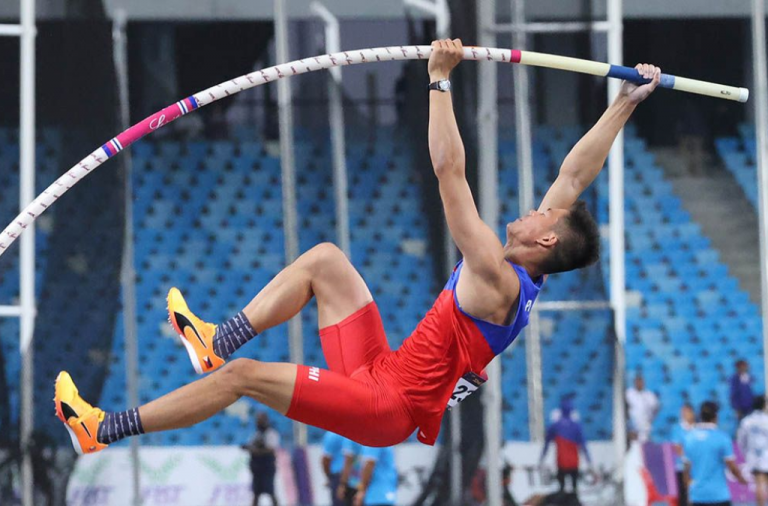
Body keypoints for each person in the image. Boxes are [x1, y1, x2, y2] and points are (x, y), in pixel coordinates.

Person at [53, 39, 662, 455]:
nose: (532, 208)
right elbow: (575, 176)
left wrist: (439, 81)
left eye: (541, 213)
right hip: (382, 371)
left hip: (385, 405)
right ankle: (216, 340)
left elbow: (450, 172)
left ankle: (102, 428)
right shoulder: (528, 273)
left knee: (244, 380)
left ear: (546, 238)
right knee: (325, 261)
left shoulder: (496, 277)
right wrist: (624, 104)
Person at [682, 401, 747, 506]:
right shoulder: (722, 438)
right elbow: (732, 467)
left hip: (698, 496)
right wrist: (741, 479)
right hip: (719, 495)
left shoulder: (689, 438)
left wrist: (690, 491)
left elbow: (686, 471)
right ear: (716, 417)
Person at [539, 396, 591, 497]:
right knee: (574, 490)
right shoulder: (576, 426)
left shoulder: (555, 425)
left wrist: (541, 459)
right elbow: (584, 445)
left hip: (561, 462)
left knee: (561, 490)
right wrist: (589, 461)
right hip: (574, 462)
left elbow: (546, 444)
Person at [242, 412, 280, 506]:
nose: (258, 423)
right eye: (257, 420)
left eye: (260, 420)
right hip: (256, 467)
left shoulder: (271, 433)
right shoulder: (256, 434)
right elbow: (250, 445)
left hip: (267, 466)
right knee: (256, 493)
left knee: (270, 491)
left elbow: (270, 449)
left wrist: (256, 451)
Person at [737, 395, 768, 506]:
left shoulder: (747, 421)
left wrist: (746, 453)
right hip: (766, 456)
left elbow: (741, 440)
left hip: (754, 457)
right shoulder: (766, 420)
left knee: (759, 483)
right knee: (763, 484)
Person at [671, 403, 696, 506]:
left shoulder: (697, 428)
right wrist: (686, 459)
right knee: (684, 495)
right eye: (683, 412)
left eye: (686, 412)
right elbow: (677, 447)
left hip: (696, 467)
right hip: (682, 466)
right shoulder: (678, 429)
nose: (684, 414)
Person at [626, 374, 660, 442]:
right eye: (637, 382)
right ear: (634, 382)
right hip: (631, 426)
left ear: (643, 383)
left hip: (645, 427)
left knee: (643, 445)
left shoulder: (649, 395)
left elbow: (656, 407)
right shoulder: (628, 393)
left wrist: (651, 418)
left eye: (641, 382)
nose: (639, 384)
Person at [322, 431, 350, 506]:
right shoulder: (354, 434)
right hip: (354, 475)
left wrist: (329, 476)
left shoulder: (331, 435)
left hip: (338, 476)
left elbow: (326, 459)